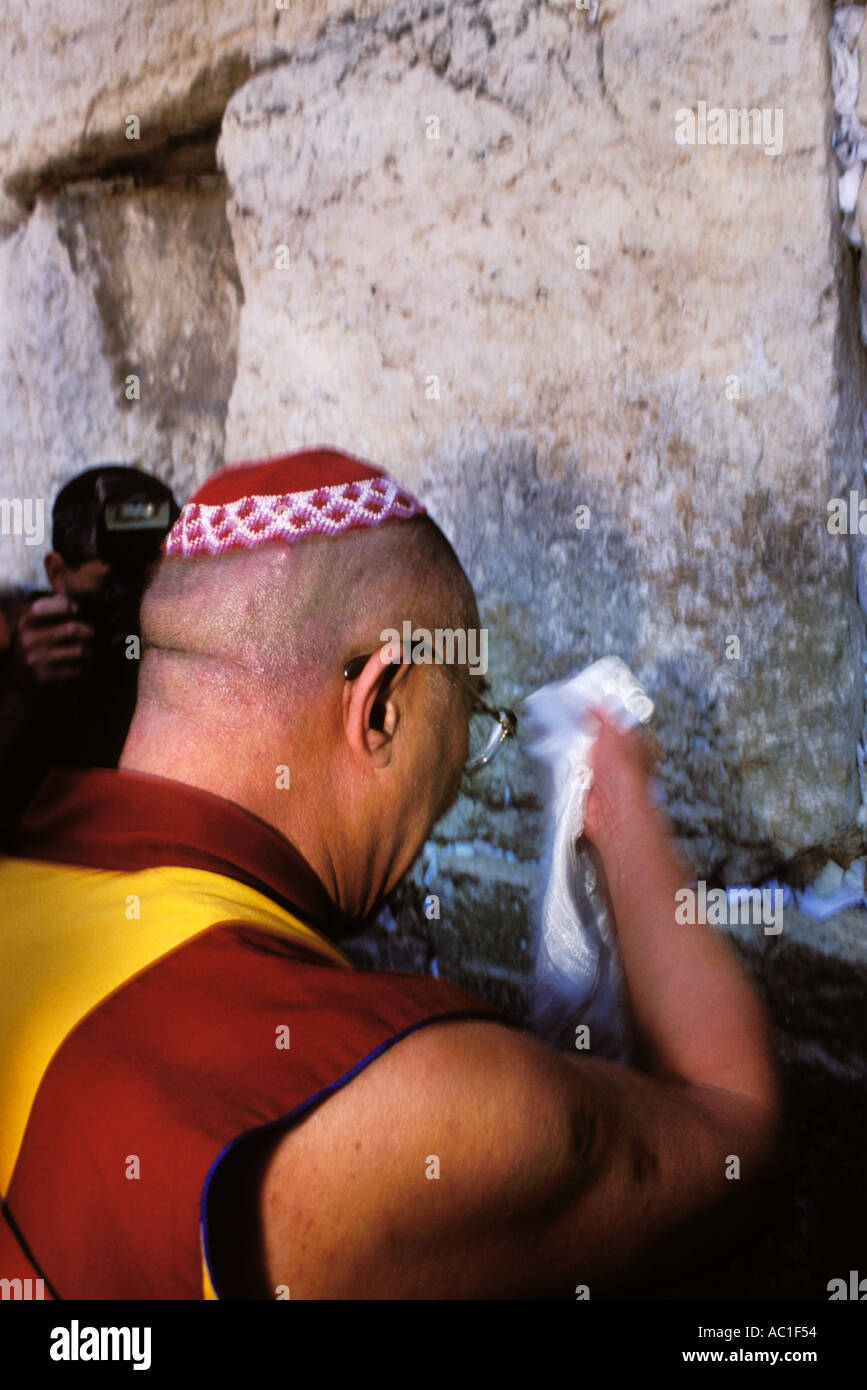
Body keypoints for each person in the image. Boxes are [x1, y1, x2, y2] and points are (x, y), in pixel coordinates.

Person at [0, 448, 780, 1300]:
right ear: (378, 706)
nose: (462, 773)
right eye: (472, 718)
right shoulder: (414, 1108)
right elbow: (733, 1125)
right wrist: (620, 802)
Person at [0, 465, 179, 839]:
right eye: (113, 584)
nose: (138, 605)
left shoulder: (182, 649)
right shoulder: (24, 653)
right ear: (58, 575)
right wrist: (19, 692)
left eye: (154, 583)